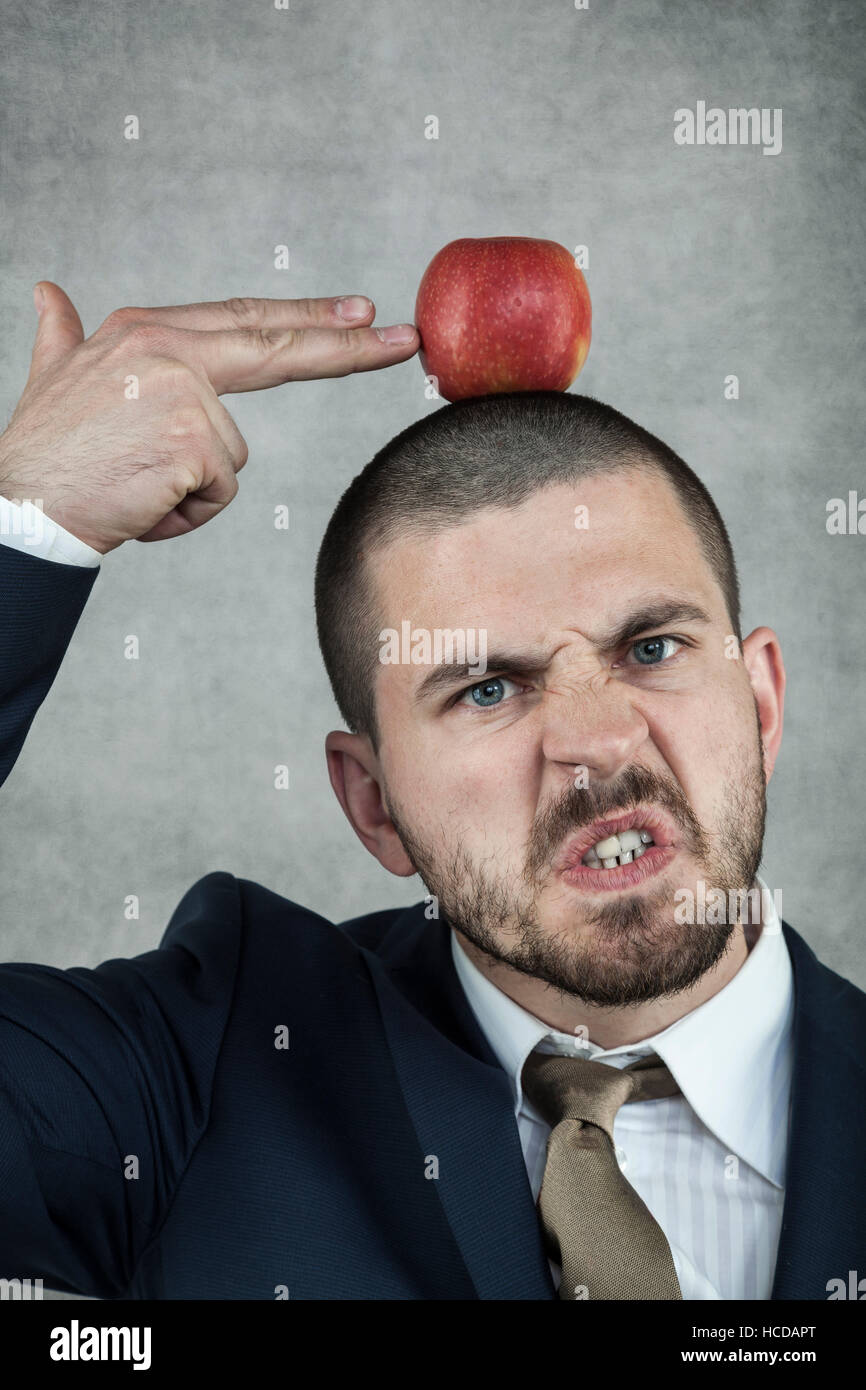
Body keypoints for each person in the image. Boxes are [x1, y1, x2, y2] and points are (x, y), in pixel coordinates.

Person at [0, 283, 863, 1301]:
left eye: (651, 646)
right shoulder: (193, 1077)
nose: (592, 744)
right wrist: (29, 522)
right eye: (486, 687)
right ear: (372, 804)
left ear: (758, 701)